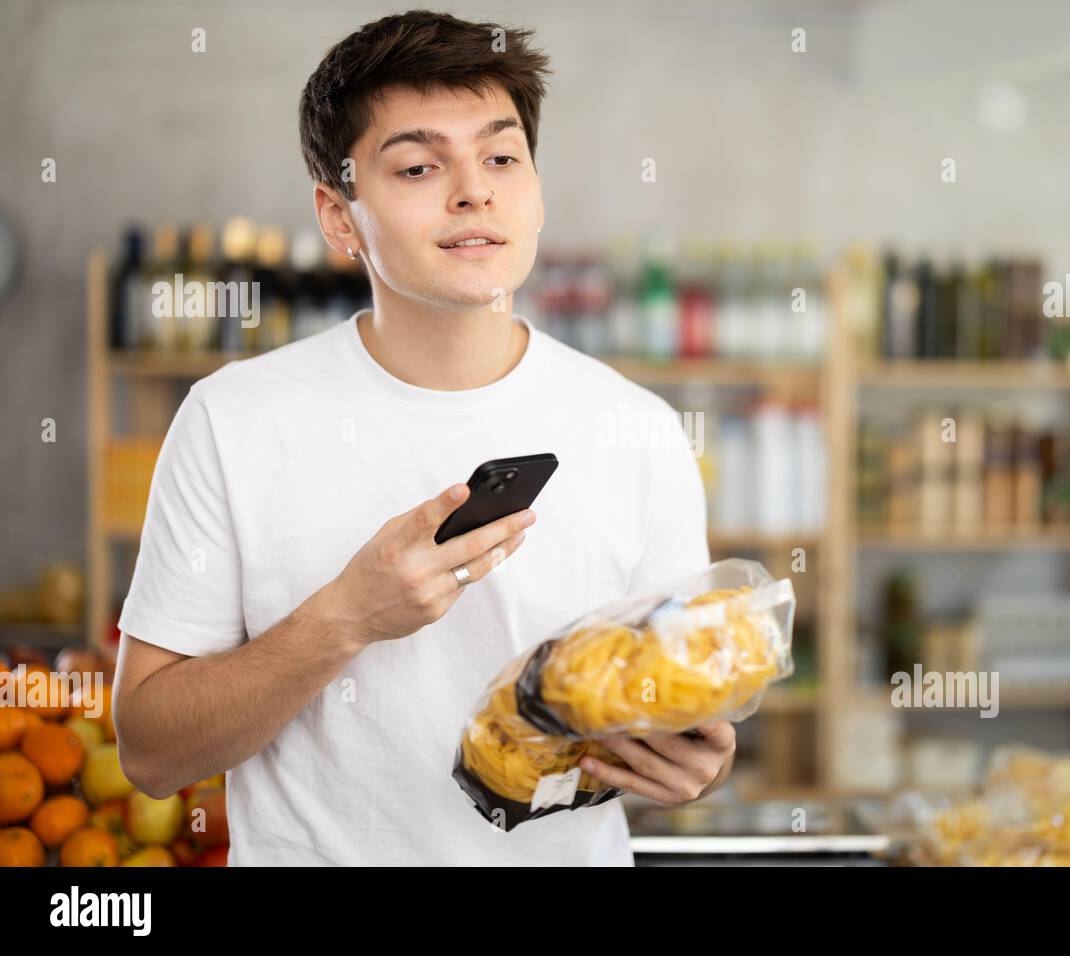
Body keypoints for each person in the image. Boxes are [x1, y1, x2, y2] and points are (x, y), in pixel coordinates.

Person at [113, 10, 733, 866]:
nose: (474, 189)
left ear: (537, 191)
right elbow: (149, 752)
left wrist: (689, 756)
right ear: (339, 217)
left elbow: (667, 697)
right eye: (416, 165)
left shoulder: (640, 430)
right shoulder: (234, 420)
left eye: (502, 156)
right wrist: (345, 618)